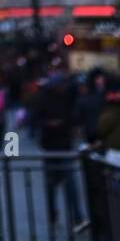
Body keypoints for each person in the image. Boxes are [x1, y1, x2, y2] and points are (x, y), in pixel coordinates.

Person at [34, 72, 87, 231]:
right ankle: (54, 215)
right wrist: (49, 124)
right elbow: (36, 119)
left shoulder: (66, 99)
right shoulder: (44, 100)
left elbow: (72, 118)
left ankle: (77, 217)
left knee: (69, 185)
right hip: (52, 147)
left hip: (63, 146)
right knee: (52, 185)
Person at [75, 68, 108, 145]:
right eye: (98, 78)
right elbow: (78, 114)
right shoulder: (86, 97)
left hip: (106, 132)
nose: (101, 80)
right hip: (92, 132)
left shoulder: (108, 94)